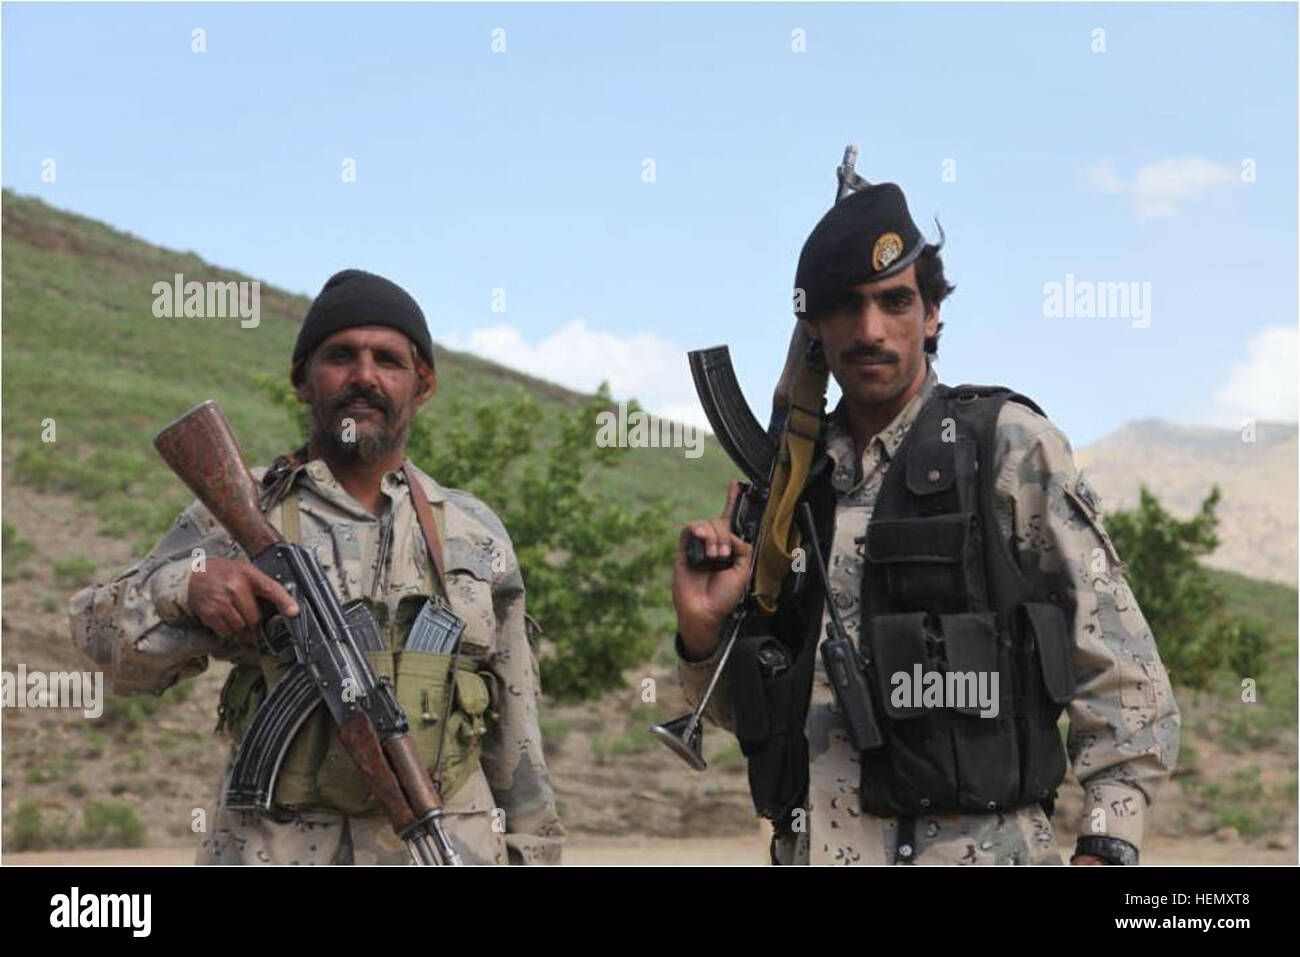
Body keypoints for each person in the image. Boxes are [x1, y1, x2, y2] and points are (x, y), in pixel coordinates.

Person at [671, 184, 1179, 865]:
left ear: (933, 313)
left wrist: (1108, 845)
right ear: (814, 328)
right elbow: (753, 717)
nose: (871, 329)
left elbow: (1124, 675)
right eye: (846, 304)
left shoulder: (1007, 448)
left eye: (895, 300)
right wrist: (705, 630)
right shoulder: (795, 486)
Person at [70, 269, 564, 865]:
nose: (364, 376)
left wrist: (532, 854)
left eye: (388, 359)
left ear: (423, 384)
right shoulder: (235, 515)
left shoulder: (473, 532)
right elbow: (100, 646)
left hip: (447, 847)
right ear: (302, 381)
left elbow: (517, 733)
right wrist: (185, 587)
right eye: (340, 356)